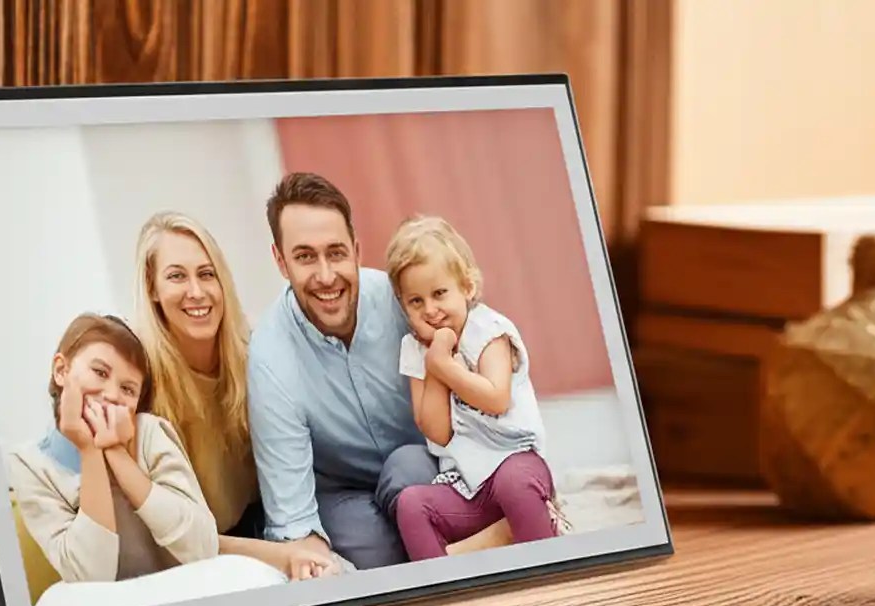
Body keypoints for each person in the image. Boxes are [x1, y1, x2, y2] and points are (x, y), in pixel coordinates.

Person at [133, 211, 342, 580]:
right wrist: (283, 555)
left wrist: (302, 544)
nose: (196, 292)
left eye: (206, 274)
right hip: (196, 556)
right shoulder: (141, 385)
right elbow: (173, 540)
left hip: (265, 525)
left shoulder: (253, 358)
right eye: (177, 276)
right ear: (152, 287)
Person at [247, 172, 435, 570]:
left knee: (413, 471)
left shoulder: (400, 301)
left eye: (335, 253)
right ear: (280, 262)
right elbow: (294, 518)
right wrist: (316, 565)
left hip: (420, 466)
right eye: (304, 257)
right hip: (343, 495)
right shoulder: (269, 358)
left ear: (356, 249)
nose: (326, 276)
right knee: (374, 551)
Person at [384, 215, 563, 560]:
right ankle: (445, 588)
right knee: (411, 504)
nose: (431, 310)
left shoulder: (489, 329)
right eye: (415, 301)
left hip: (517, 462)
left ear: (466, 287)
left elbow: (496, 398)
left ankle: (546, 564)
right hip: (466, 485)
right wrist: (436, 359)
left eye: (439, 294)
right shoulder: (415, 349)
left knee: (514, 484)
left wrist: (445, 366)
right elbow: (437, 431)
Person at [7, 312, 222, 583]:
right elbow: (90, 575)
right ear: (62, 370)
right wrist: (90, 452)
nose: (111, 395)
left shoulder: (150, 433)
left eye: (128, 389)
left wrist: (117, 453)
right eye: (99, 373)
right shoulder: (30, 463)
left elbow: (203, 547)